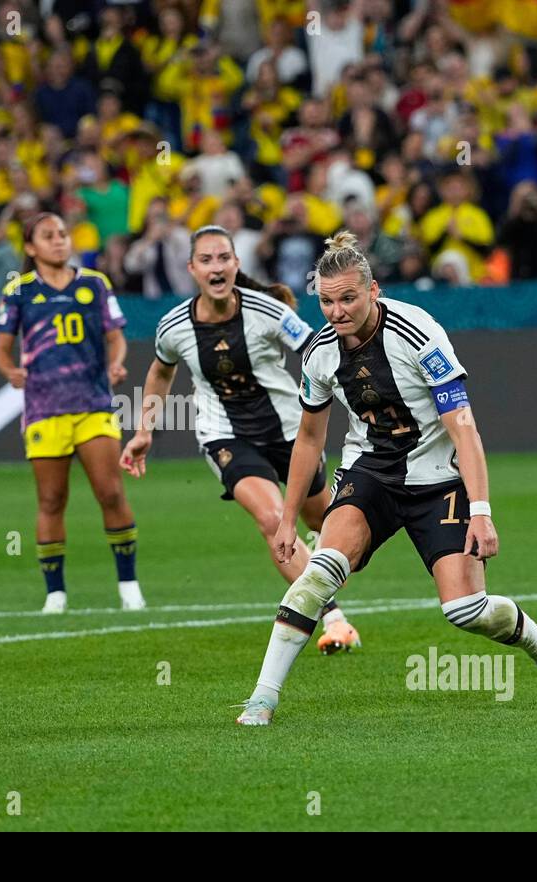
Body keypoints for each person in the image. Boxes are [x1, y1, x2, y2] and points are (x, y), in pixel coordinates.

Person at [235, 232, 537, 726]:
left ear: (373, 291)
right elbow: (309, 438)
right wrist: (287, 519)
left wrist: (480, 513)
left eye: (348, 298)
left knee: (465, 611)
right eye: (327, 301)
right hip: (369, 473)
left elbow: (464, 429)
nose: (337, 311)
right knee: (319, 573)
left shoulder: (417, 333)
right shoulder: (318, 353)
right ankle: (262, 700)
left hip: (439, 480)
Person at [121, 225, 362, 653]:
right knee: (273, 521)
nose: (217, 267)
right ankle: (335, 618)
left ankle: (329, 567)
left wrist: (357, 401)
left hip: (291, 433)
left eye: (224, 258)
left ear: (236, 264)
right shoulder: (173, 326)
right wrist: (144, 430)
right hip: (226, 437)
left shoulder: (267, 311)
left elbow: (314, 348)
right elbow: (161, 371)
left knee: (322, 522)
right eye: (207, 260)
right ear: (192, 268)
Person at [0, 212, 144, 614]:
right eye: (48, 236)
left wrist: (117, 363)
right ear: (30, 247)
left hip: (93, 403)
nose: (60, 241)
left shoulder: (95, 283)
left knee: (110, 492)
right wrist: (10, 371)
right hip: (44, 409)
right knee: (51, 499)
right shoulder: (19, 290)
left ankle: (129, 585)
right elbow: (1, 348)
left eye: (62, 233)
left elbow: (116, 338)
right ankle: (55, 593)